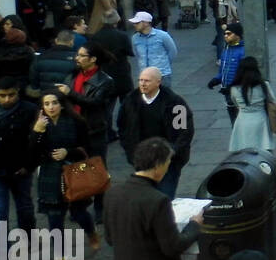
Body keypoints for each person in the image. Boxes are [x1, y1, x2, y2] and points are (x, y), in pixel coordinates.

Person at [30, 88, 97, 260]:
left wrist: (69, 152)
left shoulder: (75, 122)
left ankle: (91, 231)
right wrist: (37, 133)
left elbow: (87, 148)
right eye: (47, 104)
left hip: (74, 172)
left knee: (78, 211)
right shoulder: (39, 125)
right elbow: (31, 154)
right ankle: (61, 259)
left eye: (54, 103)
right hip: (50, 176)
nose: (51, 107)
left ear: (61, 104)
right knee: (54, 218)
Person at [0, 76, 37, 260]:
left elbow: (35, 141)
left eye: (10, 95)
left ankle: (27, 237)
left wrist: (28, 165)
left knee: (24, 207)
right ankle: (2, 257)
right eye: (2, 95)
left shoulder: (30, 111)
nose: (6, 100)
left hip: (20, 168)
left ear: (17, 93)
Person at [58, 42, 116, 226]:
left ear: (93, 60)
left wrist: (70, 94)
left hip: (94, 130)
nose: (77, 58)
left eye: (82, 55)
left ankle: (100, 208)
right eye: (78, 55)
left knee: (97, 170)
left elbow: (95, 102)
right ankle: (78, 207)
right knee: (75, 170)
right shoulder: (72, 75)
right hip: (74, 130)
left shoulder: (105, 80)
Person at [118, 68, 195, 200]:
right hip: (141, 158)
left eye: (147, 81)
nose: (142, 84)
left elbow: (184, 131)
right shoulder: (130, 101)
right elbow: (123, 126)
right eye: (140, 80)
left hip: (167, 159)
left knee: (165, 196)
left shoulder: (175, 103)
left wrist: (173, 151)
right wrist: (129, 149)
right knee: (146, 197)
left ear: (158, 82)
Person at [229, 56, 276, 153]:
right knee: (263, 146)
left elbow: (235, 103)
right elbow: (272, 100)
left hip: (242, 121)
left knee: (243, 146)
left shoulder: (234, 88)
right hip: (261, 119)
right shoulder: (263, 85)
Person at [208, 23, 246, 124]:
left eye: (229, 34)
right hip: (227, 91)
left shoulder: (243, 52)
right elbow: (223, 71)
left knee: (241, 118)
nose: (225, 36)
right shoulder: (226, 50)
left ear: (237, 35)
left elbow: (243, 73)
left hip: (239, 91)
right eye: (225, 34)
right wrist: (216, 79)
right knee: (233, 117)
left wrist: (232, 86)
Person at [130, 11, 178, 87]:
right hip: (144, 76)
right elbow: (136, 54)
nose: (134, 25)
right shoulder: (135, 38)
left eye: (137, 23)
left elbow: (172, 52)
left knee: (163, 98)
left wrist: (164, 64)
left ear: (146, 23)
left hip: (162, 75)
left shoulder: (162, 35)